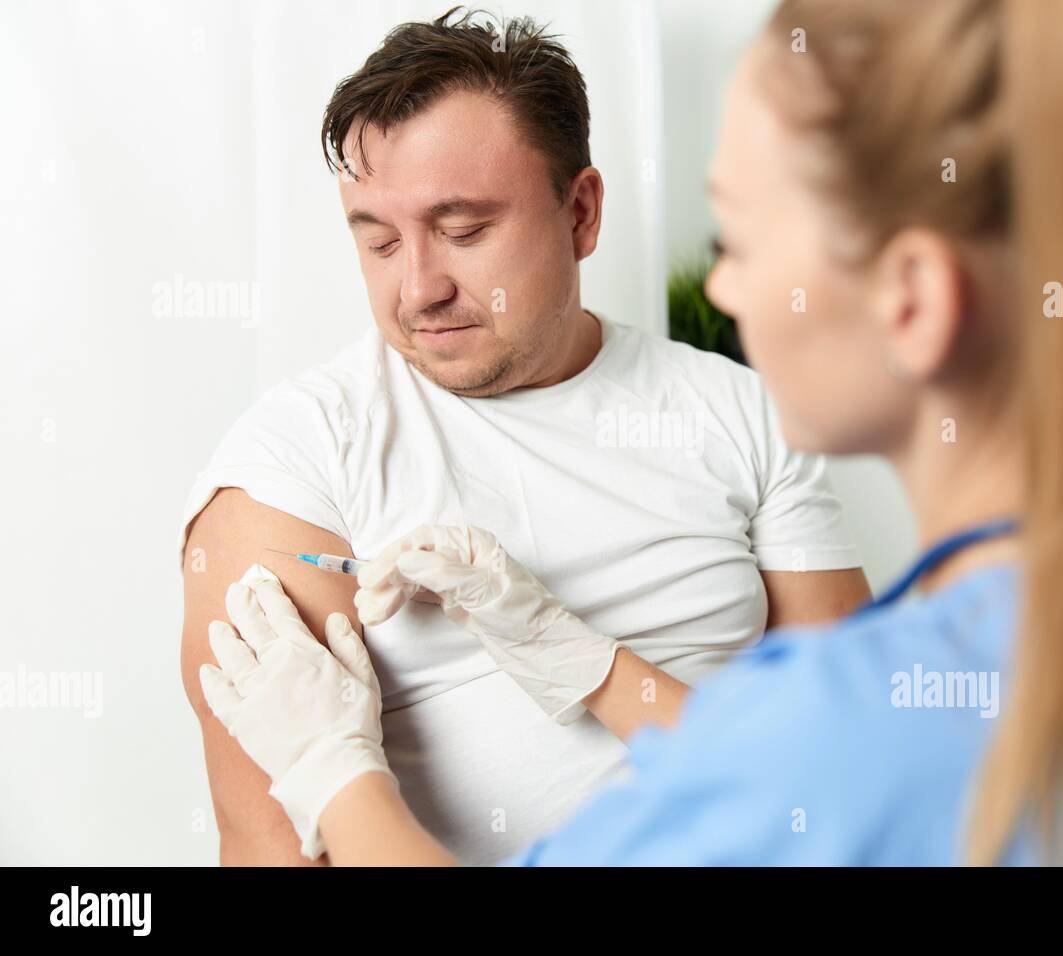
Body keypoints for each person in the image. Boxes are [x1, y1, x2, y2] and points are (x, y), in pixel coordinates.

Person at [199, 0, 1063, 865]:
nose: (719, 280)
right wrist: (598, 669)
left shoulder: (845, 717)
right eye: (376, 239)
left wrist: (334, 765)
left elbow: (814, 753)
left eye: (740, 229)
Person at [177, 6, 868, 866]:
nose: (418, 288)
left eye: (464, 231)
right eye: (380, 241)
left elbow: (855, 779)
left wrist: (583, 659)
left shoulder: (744, 416)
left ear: (580, 213)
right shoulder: (298, 461)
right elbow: (272, 856)